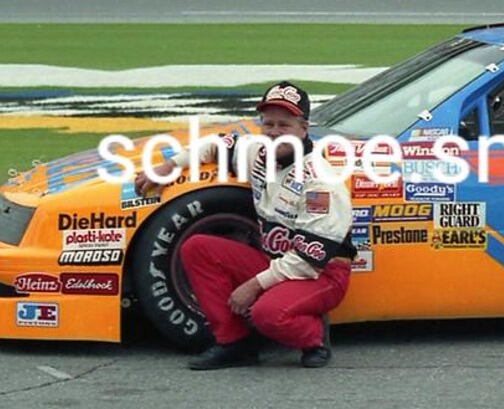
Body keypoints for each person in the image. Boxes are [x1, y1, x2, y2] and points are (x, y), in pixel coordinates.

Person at [134, 81, 355, 370]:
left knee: (267, 313)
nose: (274, 132)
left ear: (303, 128)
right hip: (276, 261)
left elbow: (309, 260)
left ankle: (314, 337)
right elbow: (214, 145)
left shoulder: (320, 182)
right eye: (268, 124)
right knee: (197, 248)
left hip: (320, 274)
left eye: (284, 125)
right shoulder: (259, 154)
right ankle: (234, 344)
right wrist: (168, 167)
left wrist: (253, 286)